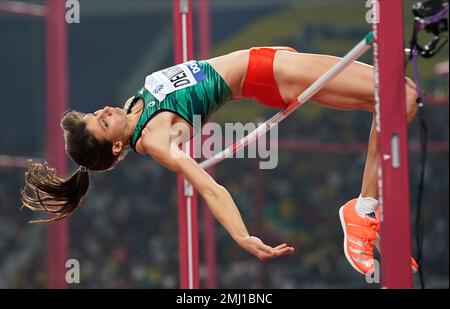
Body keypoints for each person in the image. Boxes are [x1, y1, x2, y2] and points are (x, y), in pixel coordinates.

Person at [21, 46, 419, 274]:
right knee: (400, 95)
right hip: (268, 72)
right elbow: (208, 186)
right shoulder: (155, 138)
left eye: (97, 112)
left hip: (273, 66)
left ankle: (365, 209)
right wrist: (243, 237)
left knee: (399, 100)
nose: (106, 109)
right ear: (114, 147)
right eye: (103, 121)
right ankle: (362, 210)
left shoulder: (132, 107)